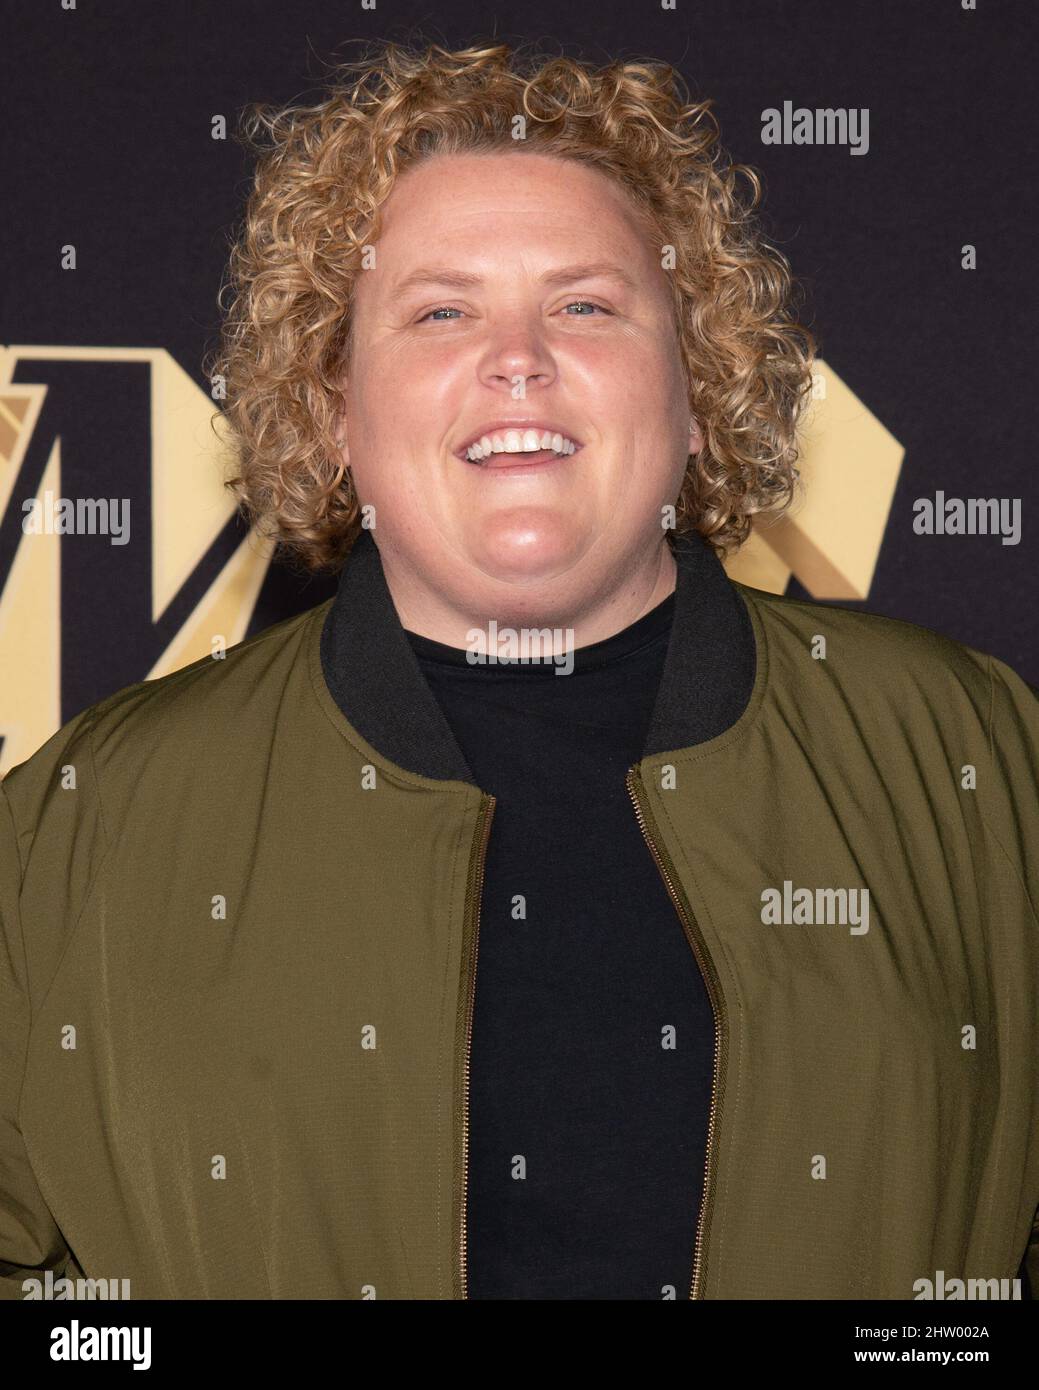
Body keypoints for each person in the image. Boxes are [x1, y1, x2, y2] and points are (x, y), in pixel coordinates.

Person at [1, 39, 1036, 1302]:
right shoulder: (76, 825)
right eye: (440, 310)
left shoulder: (974, 756)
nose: (519, 359)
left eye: (586, 304)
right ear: (333, 411)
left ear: (697, 387)